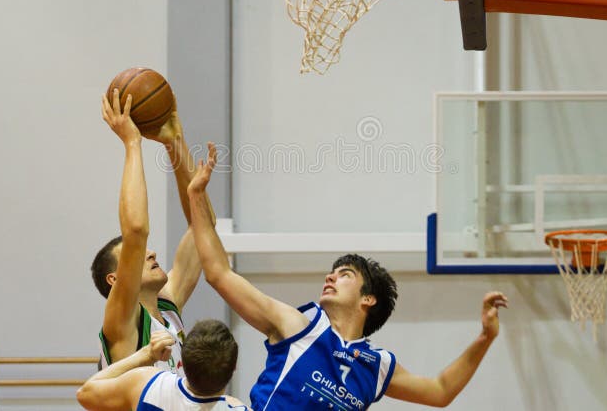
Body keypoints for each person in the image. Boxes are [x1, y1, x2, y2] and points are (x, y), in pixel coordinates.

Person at [187, 142, 509, 410]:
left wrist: (485, 338)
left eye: (344, 274)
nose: (330, 277)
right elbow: (218, 274)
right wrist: (197, 196)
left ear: (368, 298)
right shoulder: (299, 325)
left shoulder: (376, 366)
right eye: (331, 272)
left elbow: (440, 391)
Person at [91, 89, 215, 374]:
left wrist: (174, 142)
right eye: (134, 256)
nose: (151, 253)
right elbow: (136, 230)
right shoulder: (121, 320)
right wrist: (132, 143)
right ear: (114, 279)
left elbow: (204, 228)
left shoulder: (167, 307)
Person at [77, 323, 250, 411]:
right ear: (234, 367)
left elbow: (85, 394)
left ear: (182, 360)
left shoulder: (148, 385)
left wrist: (145, 354)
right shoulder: (237, 408)